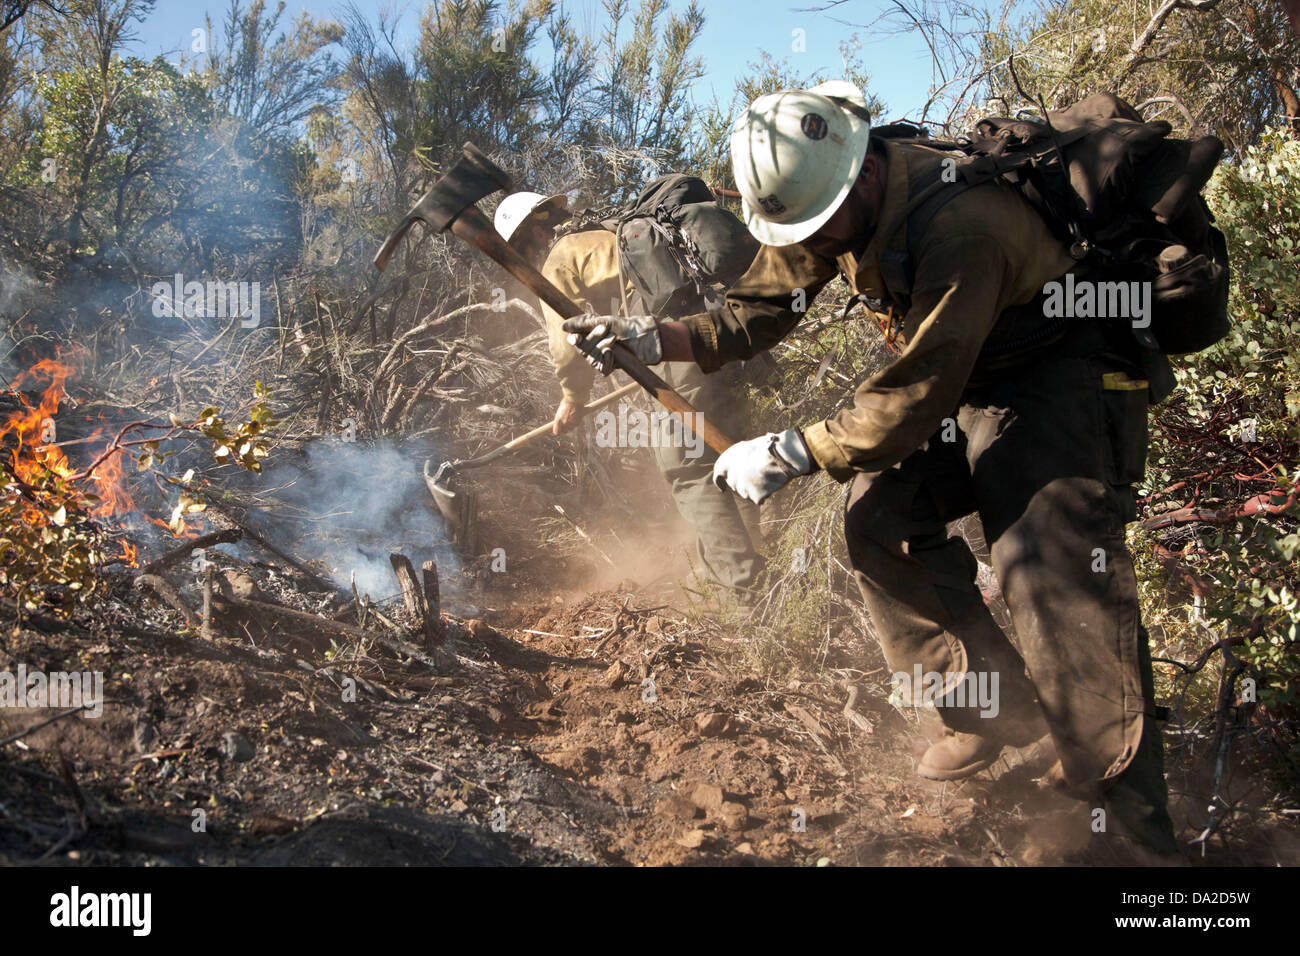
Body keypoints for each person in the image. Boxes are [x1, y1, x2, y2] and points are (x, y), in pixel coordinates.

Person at [561, 82, 1180, 856]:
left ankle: (1138, 838)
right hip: (973, 375)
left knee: (1053, 583)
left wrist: (793, 451)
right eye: (802, 231)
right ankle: (984, 706)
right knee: (880, 517)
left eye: (822, 228)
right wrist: (655, 338)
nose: (815, 246)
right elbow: (761, 309)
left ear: (862, 175)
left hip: (1060, 374)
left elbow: (916, 395)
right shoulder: (821, 201)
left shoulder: (962, 227)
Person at [494, 191, 765, 598]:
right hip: (720, 333)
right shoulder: (604, 230)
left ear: (535, 231)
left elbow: (566, 341)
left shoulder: (557, 259)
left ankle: (740, 589)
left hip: (678, 347)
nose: (524, 259)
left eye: (519, 249)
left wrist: (573, 399)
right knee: (727, 447)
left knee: (687, 468)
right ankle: (750, 562)